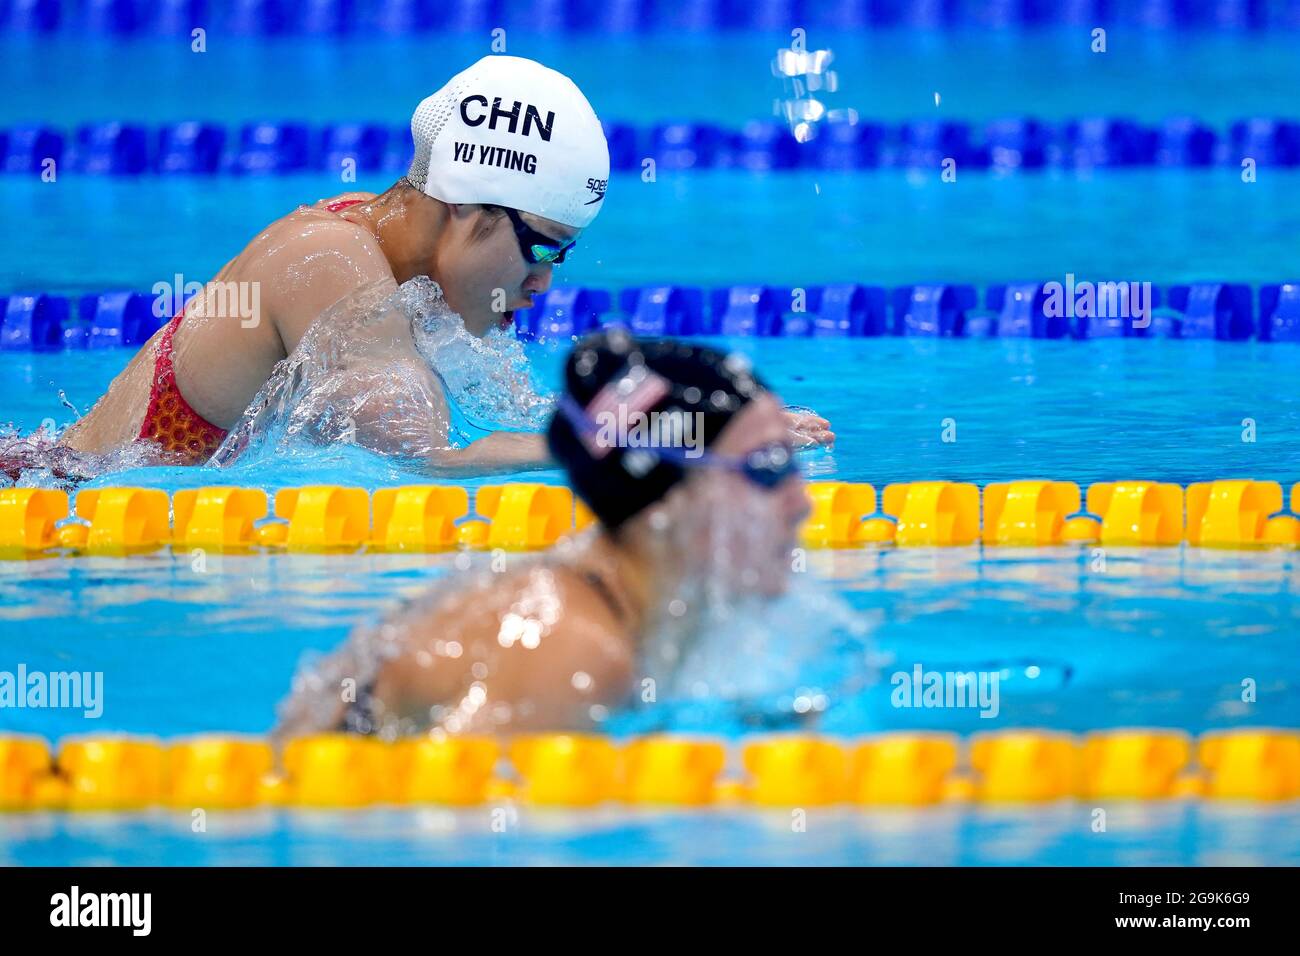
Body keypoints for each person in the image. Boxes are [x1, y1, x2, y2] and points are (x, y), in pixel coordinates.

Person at [36, 53, 832, 480]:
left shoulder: (378, 244)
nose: (545, 284)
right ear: (475, 212)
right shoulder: (333, 264)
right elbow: (430, 463)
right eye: (544, 248)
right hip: (53, 513)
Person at [273, 329, 812, 739]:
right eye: (767, 471)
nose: (802, 503)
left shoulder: (640, 602)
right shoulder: (569, 645)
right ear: (666, 503)